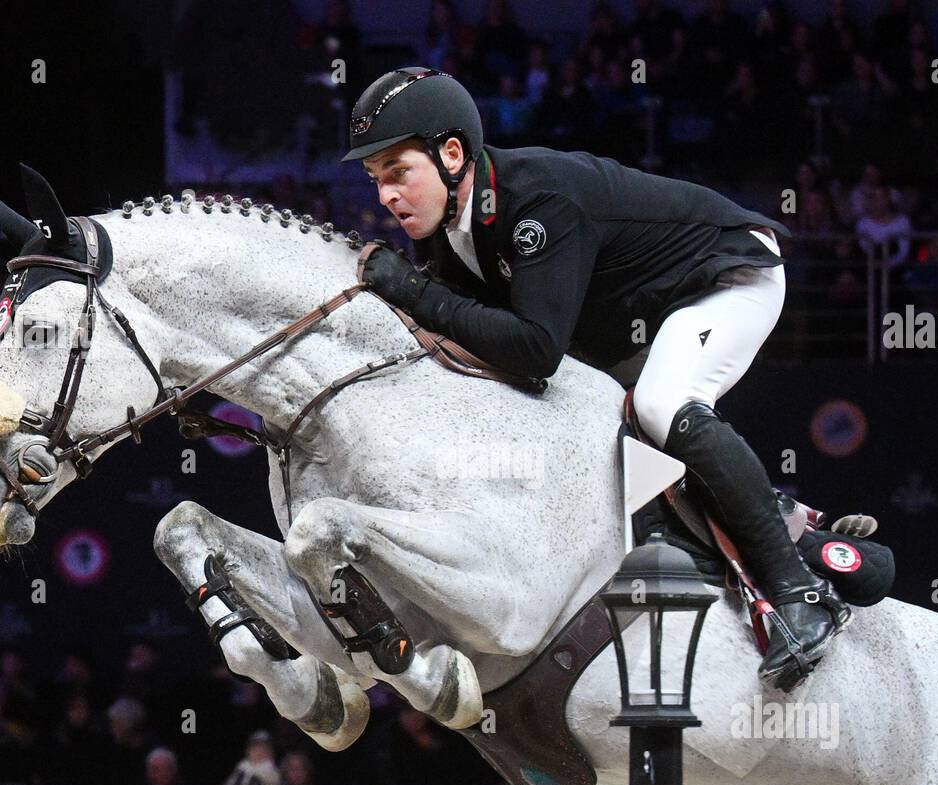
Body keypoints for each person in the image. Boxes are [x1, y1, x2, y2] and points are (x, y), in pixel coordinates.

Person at [341, 67, 849, 690]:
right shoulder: (456, 229)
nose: (387, 196)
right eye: (375, 181)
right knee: (595, 421)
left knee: (663, 404)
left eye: (398, 172)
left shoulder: (538, 199)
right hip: (640, 313)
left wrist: (412, 289)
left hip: (727, 275)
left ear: (451, 155)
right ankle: (786, 526)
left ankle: (805, 597)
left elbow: (534, 349)